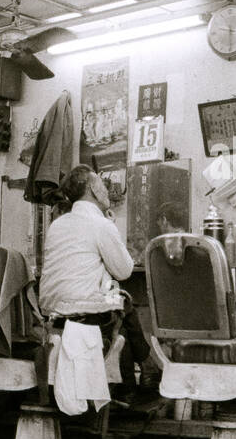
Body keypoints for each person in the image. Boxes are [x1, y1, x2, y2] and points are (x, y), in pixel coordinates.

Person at [39, 166, 156, 401]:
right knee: (124, 305)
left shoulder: (57, 225)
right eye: (102, 184)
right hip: (83, 312)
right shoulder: (100, 224)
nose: (106, 190)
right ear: (92, 187)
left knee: (121, 308)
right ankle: (145, 371)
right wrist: (111, 226)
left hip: (52, 312)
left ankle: (135, 383)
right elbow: (124, 270)